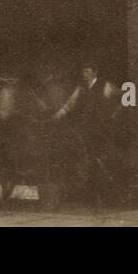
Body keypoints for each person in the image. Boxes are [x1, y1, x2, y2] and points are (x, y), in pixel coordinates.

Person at [51, 62, 120, 205]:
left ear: (95, 73)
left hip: (100, 129)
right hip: (84, 128)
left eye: (88, 71)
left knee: (97, 159)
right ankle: (87, 194)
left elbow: (127, 93)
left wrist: (117, 113)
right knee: (84, 159)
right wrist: (55, 117)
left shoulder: (106, 86)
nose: (85, 74)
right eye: (84, 72)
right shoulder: (81, 88)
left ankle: (100, 193)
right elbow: (69, 105)